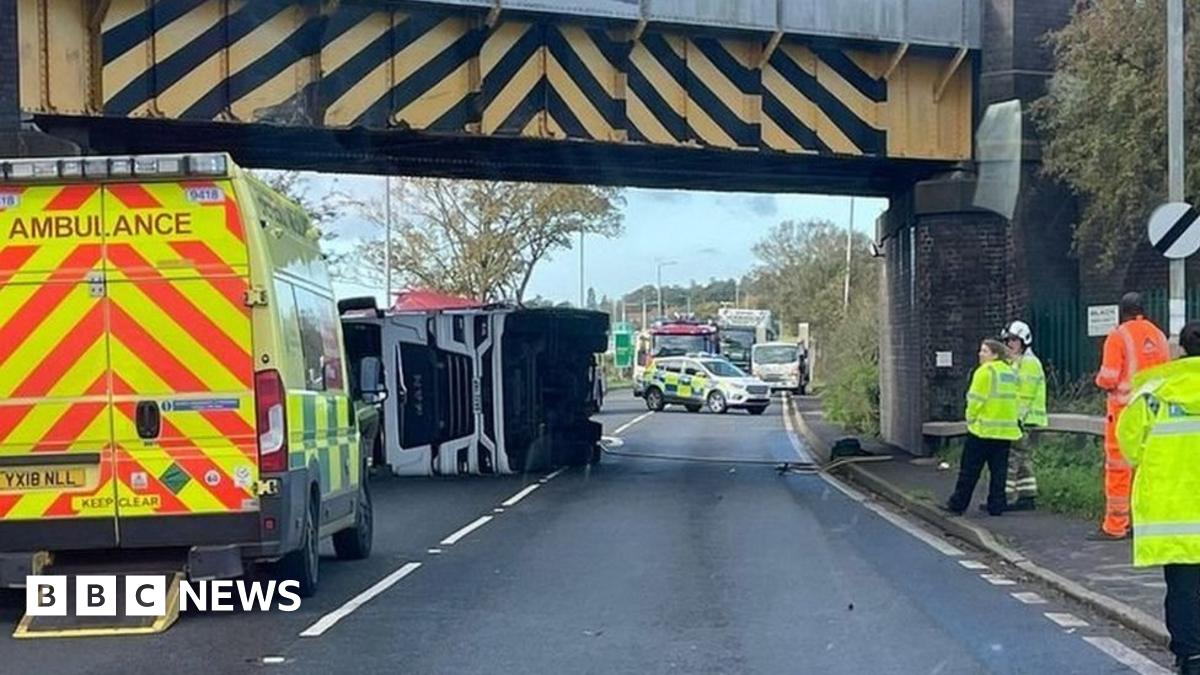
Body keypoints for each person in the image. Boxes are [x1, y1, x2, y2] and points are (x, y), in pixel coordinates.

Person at [1116, 321, 1200, 674]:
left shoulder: (1153, 394)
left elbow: (1130, 446)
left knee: (1182, 590)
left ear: (1180, 349)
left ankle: (1192, 658)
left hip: (1174, 510)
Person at [1094, 292, 1170, 540]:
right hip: (1154, 412)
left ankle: (1116, 525)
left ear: (1121, 311)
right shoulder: (1159, 335)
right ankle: (1144, 523)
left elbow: (1109, 377)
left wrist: (1099, 380)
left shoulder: (1118, 336)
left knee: (1119, 469)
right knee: (1146, 470)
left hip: (1124, 412)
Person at [943, 339, 1022, 516]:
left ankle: (958, 504)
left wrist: (970, 419)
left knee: (969, 471)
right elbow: (1015, 400)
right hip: (1005, 432)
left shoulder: (984, 372)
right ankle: (996, 506)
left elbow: (975, 400)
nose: (980, 354)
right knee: (999, 473)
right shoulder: (1010, 373)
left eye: (985, 351)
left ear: (995, 355)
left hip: (982, 430)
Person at [1002, 320, 1046, 511]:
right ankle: (1027, 496)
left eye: (1014, 340)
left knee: (1010, 459)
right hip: (1023, 420)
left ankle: (1004, 497)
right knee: (1022, 459)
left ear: (1024, 341)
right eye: (1008, 340)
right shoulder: (1016, 362)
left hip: (1023, 420)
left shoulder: (1028, 363)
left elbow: (1024, 395)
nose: (1010, 344)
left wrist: (1016, 419)